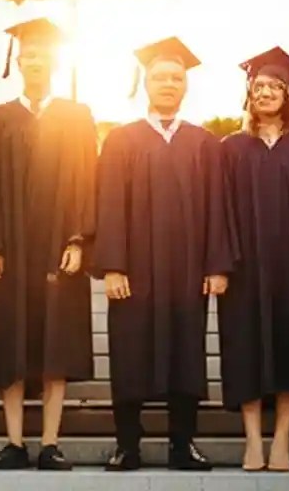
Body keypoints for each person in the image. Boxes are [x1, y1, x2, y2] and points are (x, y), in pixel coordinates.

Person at [94, 37, 228, 472]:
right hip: (134, 271)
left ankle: (182, 445)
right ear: (145, 83)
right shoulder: (120, 139)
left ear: (186, 85)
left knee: (186, 354)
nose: (168, 84)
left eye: (176, 77)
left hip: (187, 270)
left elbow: (217, 208)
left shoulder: (205, 143)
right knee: (129, 352)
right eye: (159, 77)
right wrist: (112, 265)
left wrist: (217, 265)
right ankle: (126, 445)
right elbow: (108, 203)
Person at [0, 17, 96, 471]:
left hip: (58, 248)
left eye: (43, 55)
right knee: (11, 339)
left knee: (56, 342)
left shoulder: (77, 116)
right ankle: (14, 441)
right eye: (28, 55)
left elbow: (87, 178)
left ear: (54, 61)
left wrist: (79, 238)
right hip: (10, 251)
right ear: (17, 61)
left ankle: (49, 442)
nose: (35, 62)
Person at [212, 46, 289, 473]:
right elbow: (219, 210)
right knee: (245, 350)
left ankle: (281, 439)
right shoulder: (229, 148)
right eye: (258, 86)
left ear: (287, 95)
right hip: (244, 269)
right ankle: (252, 441)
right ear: (249, 95)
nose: (265, 92)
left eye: (273, 87)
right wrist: (221, 265)